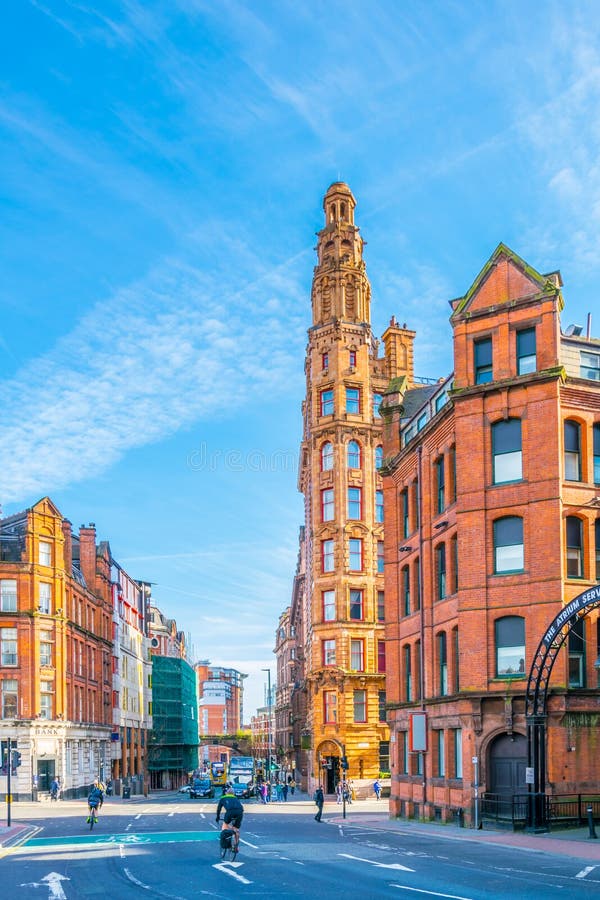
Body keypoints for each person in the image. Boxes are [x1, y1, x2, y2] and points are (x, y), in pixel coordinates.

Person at [216, 783, 244, 850]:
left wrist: (218, 817)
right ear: (233, 793)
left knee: (225, 825)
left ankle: (225, 838)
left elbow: (219, 809)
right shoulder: (235, 798)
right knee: (236, 829)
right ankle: (236, 846)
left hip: (230, 811)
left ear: (226, 793)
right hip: (240, 811)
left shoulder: (223, 798)